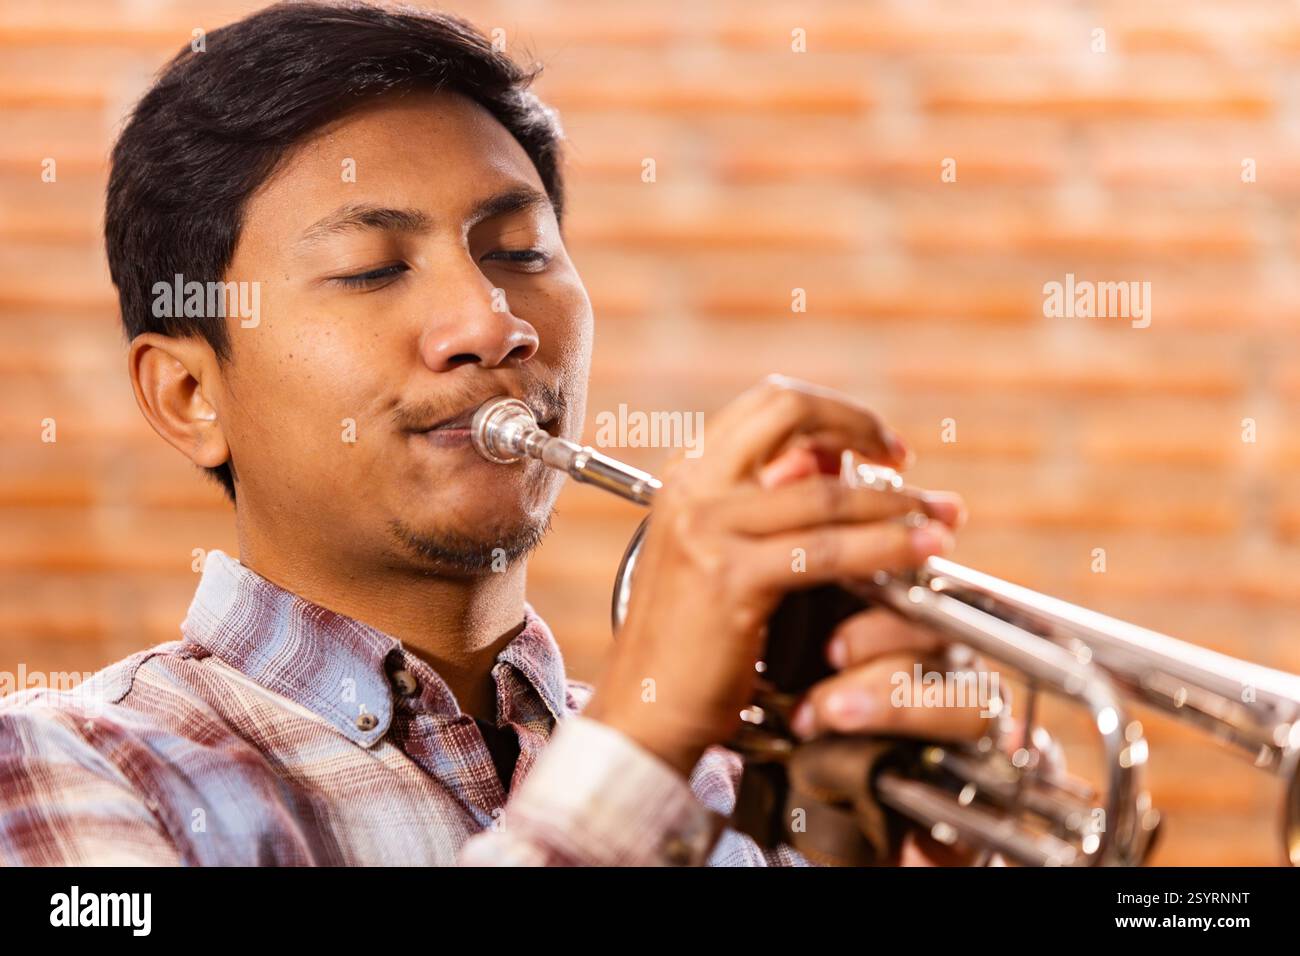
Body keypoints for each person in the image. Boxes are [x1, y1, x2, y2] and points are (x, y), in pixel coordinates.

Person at [0, 2, 983, 866]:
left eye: (518, 251)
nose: (492, 323)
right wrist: (642, 745)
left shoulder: (728, 781)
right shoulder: (71, 765)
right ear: (185, 394)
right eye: (371, 268)